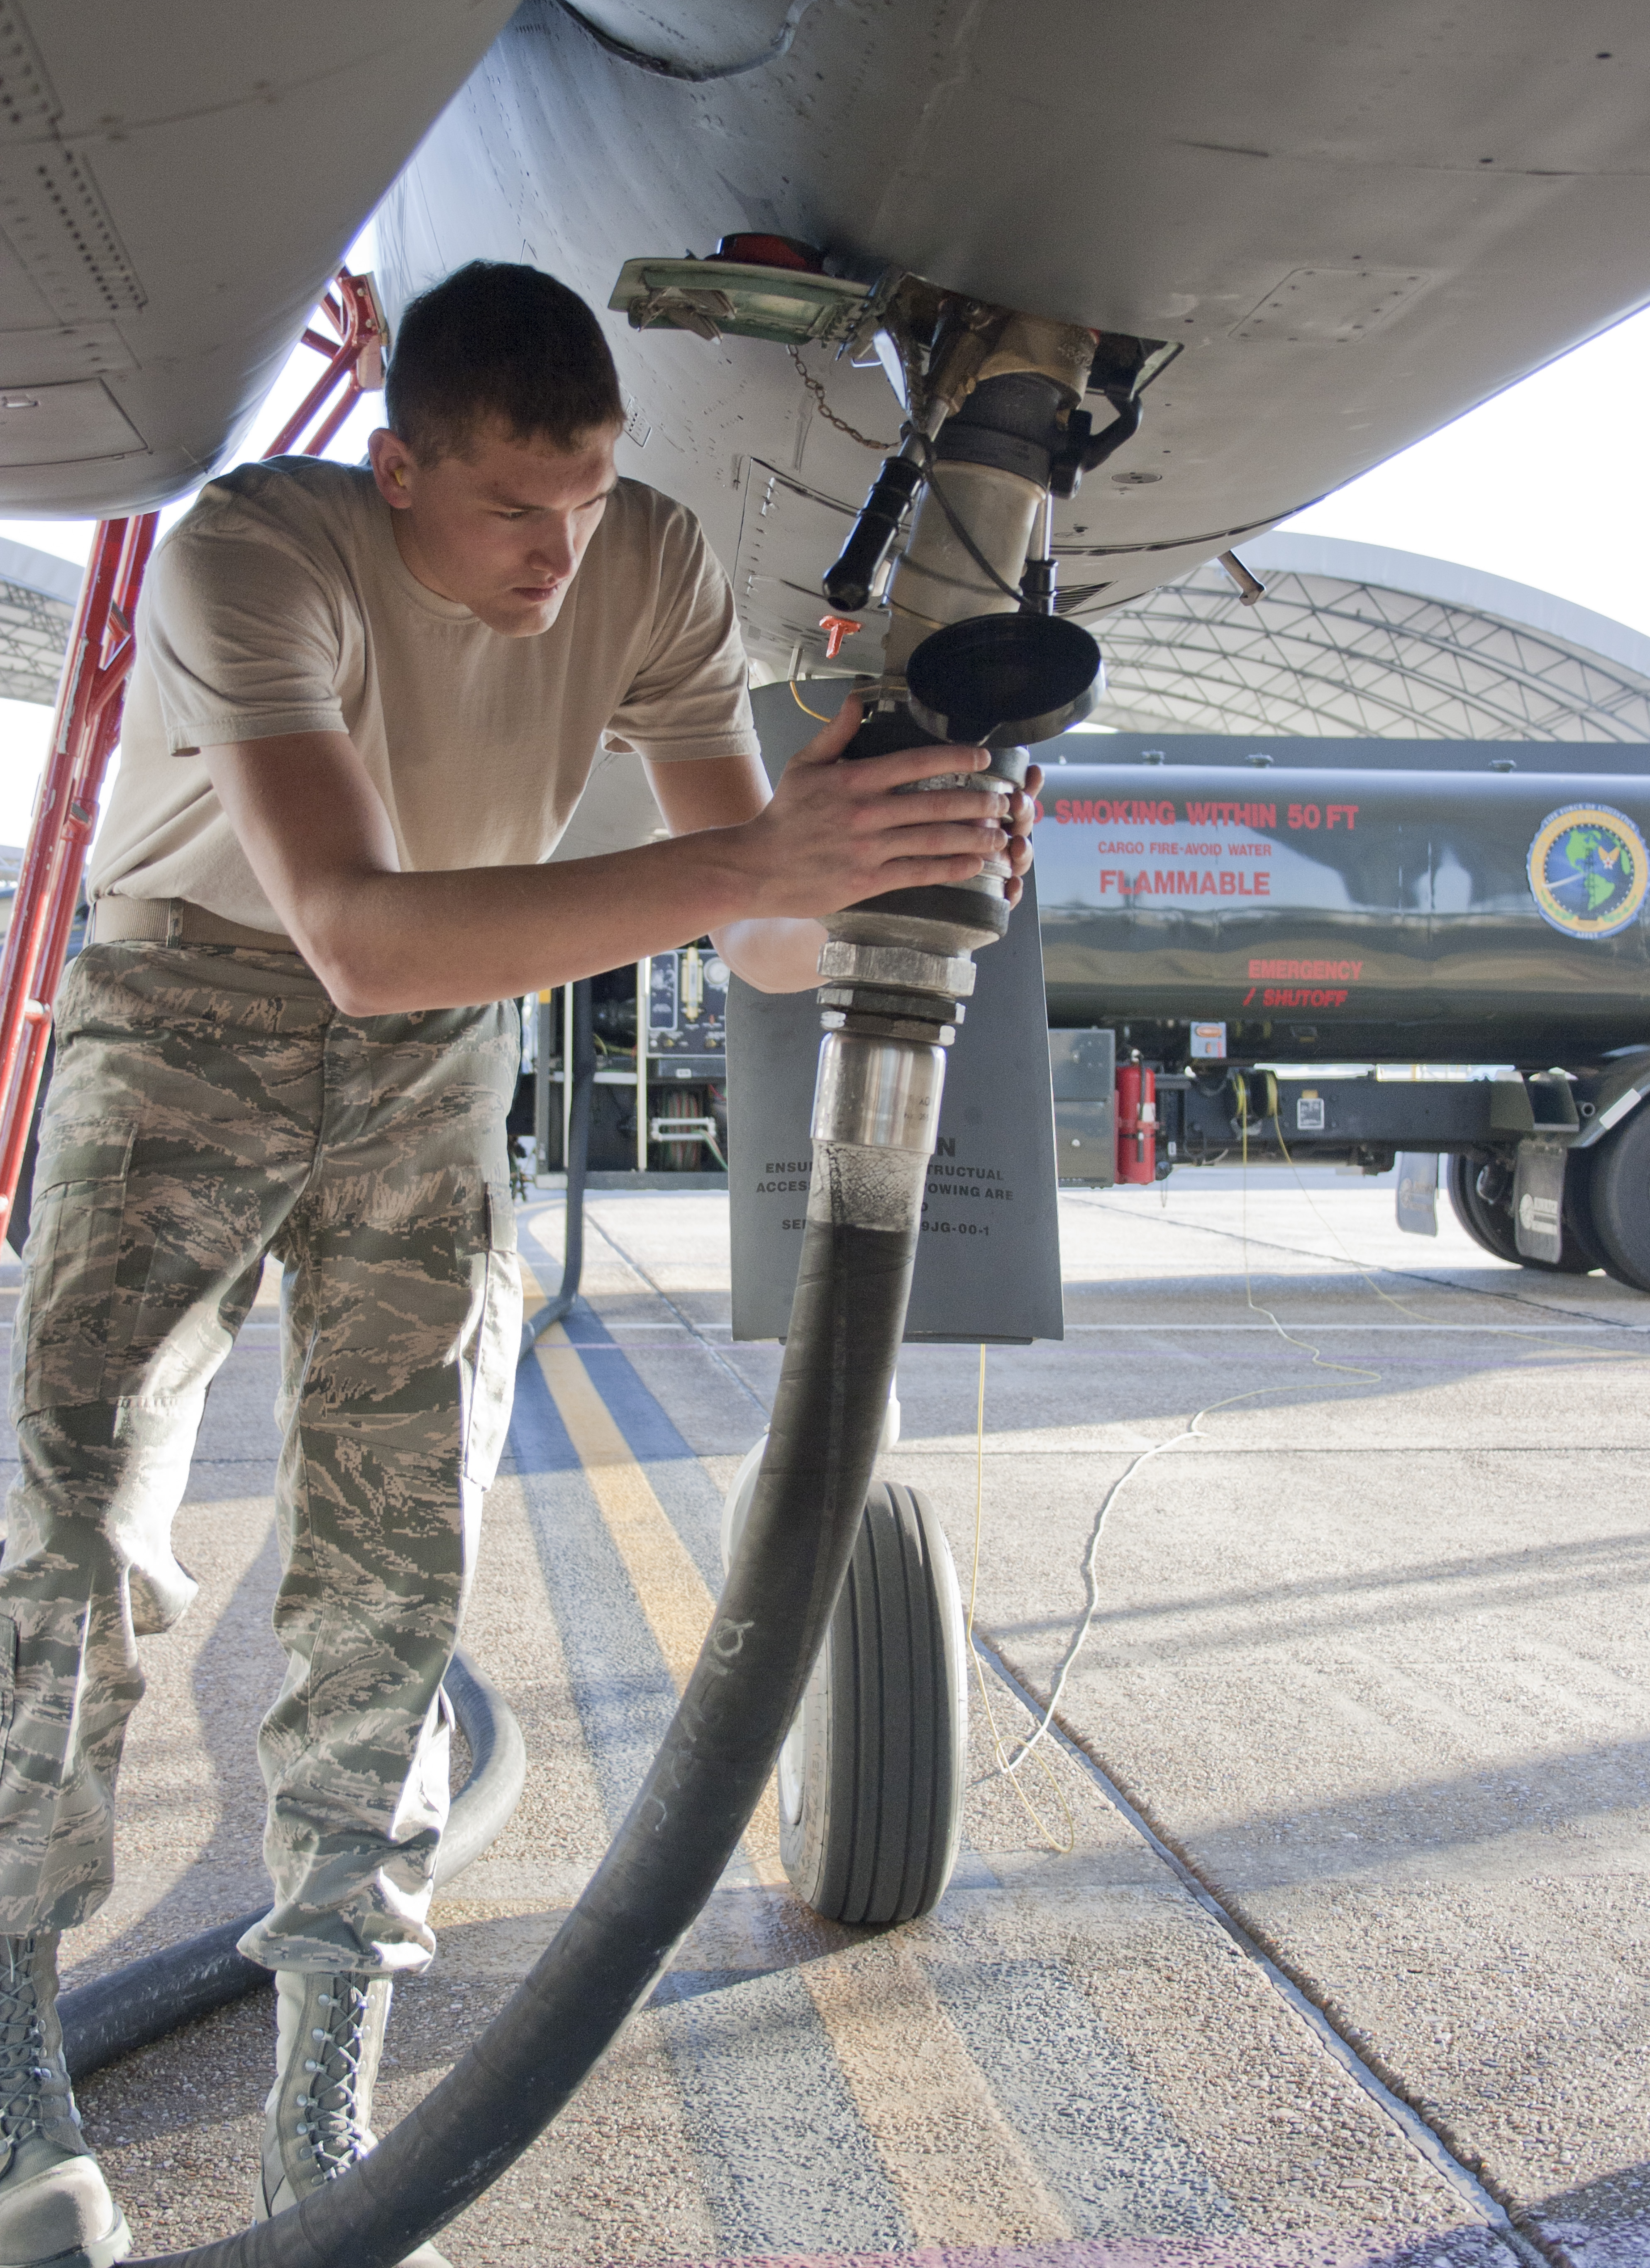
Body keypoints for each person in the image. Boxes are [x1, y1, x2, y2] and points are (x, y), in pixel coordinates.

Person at [0, 260, 1038, 2268]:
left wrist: (885, 850)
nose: (559, 555)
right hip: (192, 1010)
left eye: (585, 499)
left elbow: (765, 943)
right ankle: (13, 2049)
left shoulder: (644, 564)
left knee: (398, 1559)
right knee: (75, 1536)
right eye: (508, 510)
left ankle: (329, 2085)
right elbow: (354, 931)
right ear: (398, 471)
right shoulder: (257, 556)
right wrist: (752, 865)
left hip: (443, 1044)